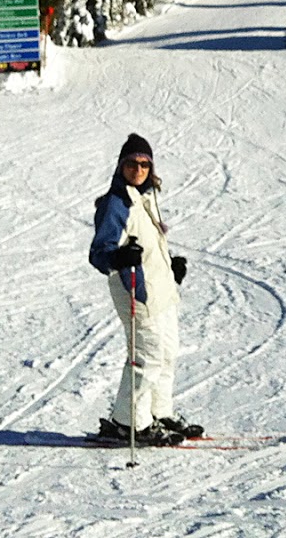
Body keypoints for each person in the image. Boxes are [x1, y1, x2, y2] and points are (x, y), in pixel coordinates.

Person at [88, 133, 203, 445]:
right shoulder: (115, 203)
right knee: (146, 358)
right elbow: (99, 254)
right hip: (136, 292)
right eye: (131, 163)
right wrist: (120, 257)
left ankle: (159, 412)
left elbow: (148, 243)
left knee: (167, 354)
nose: (137, 169)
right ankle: (129, 423)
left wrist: (169, 269)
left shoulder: (146, 197)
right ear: (121, 166)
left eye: (144, 164)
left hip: (160, 292)